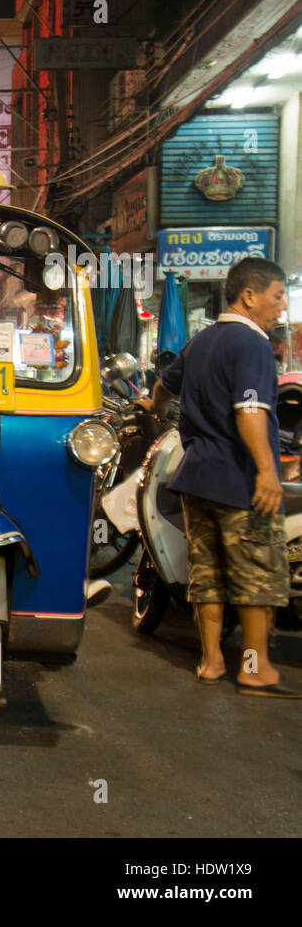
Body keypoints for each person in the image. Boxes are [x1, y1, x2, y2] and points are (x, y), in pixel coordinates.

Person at [150, 257, 299, 697]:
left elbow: (164, 385)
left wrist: (155, 409)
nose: (282, 306)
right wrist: (268, 474)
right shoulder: (252, 344)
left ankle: (212, 661)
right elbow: (250, 410)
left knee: (208, 572)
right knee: (257, 576)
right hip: (238, 480)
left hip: (195, 479)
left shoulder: (202, 341)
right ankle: (254, 669)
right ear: (249, 296)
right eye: (277, 296)